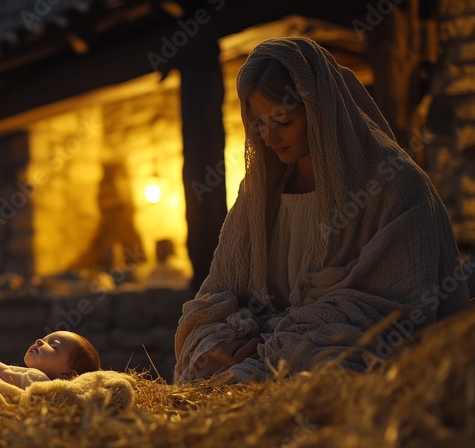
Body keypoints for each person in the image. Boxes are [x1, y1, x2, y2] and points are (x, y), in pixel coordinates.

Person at [174, 37, 471, 384]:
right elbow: (218, 289)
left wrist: (264, 360)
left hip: (335, 380)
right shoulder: (258, 195)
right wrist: (216, 345)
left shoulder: (393, 189)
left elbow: (386, 314)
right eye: (258, 122)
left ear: (318, 109)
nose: (268, 136)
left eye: (282, 120)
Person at [0, 330, 101, 388]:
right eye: (43, 339)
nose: (39, 341)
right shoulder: (35, 376)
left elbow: (9, 378)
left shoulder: (42, 380)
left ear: (69, 375)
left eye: (53, 346)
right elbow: (16, 376)